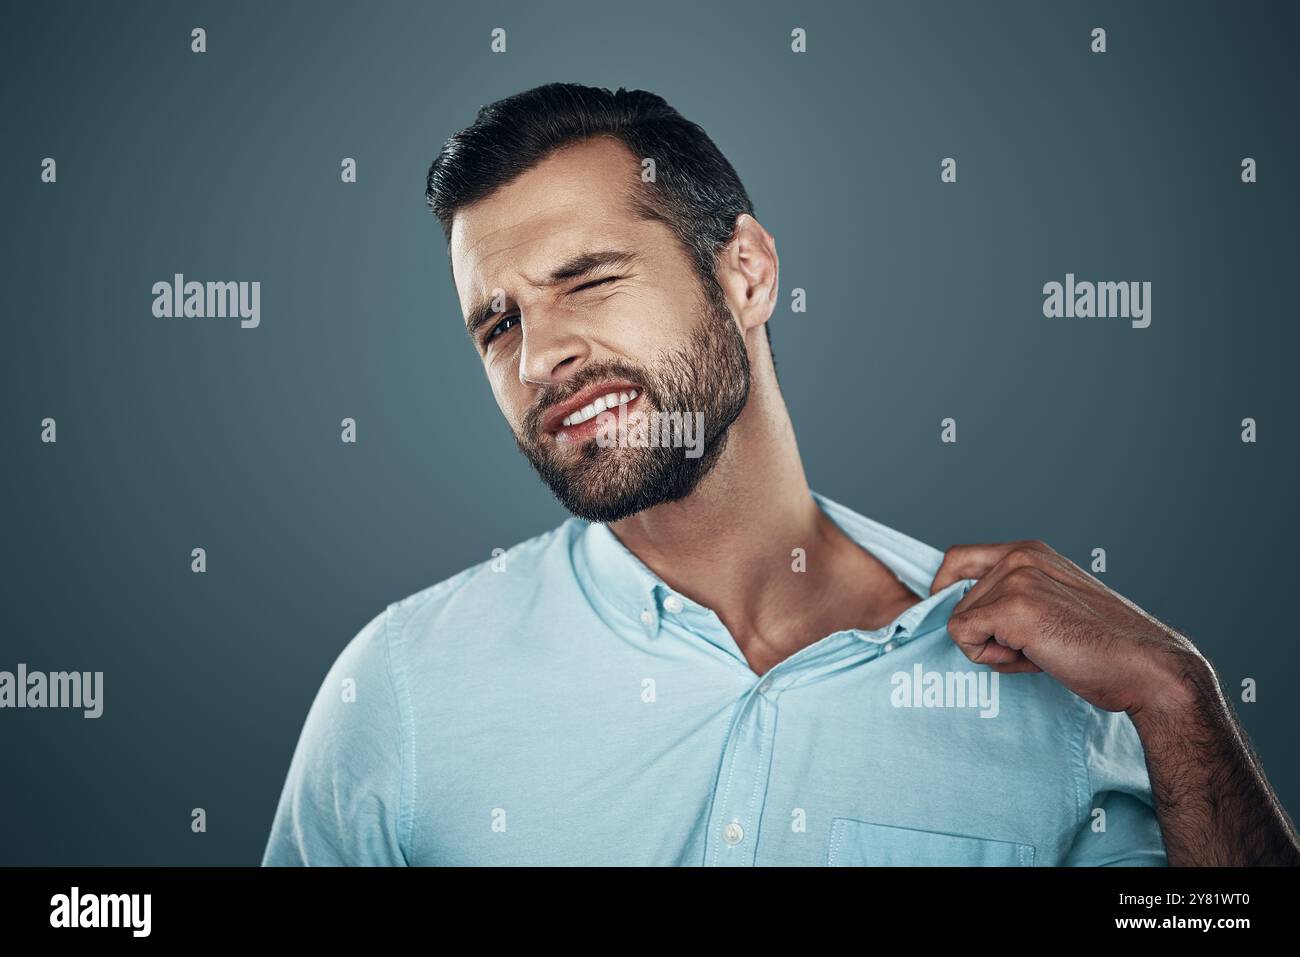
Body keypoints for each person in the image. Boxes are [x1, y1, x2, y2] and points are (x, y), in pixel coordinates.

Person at [262, 83, 1298, 866]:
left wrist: (1178, 703)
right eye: (499, 322)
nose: (540, 358)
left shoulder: (1049, 695)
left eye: (589, 280)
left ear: (745, 273)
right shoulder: (398, 687)